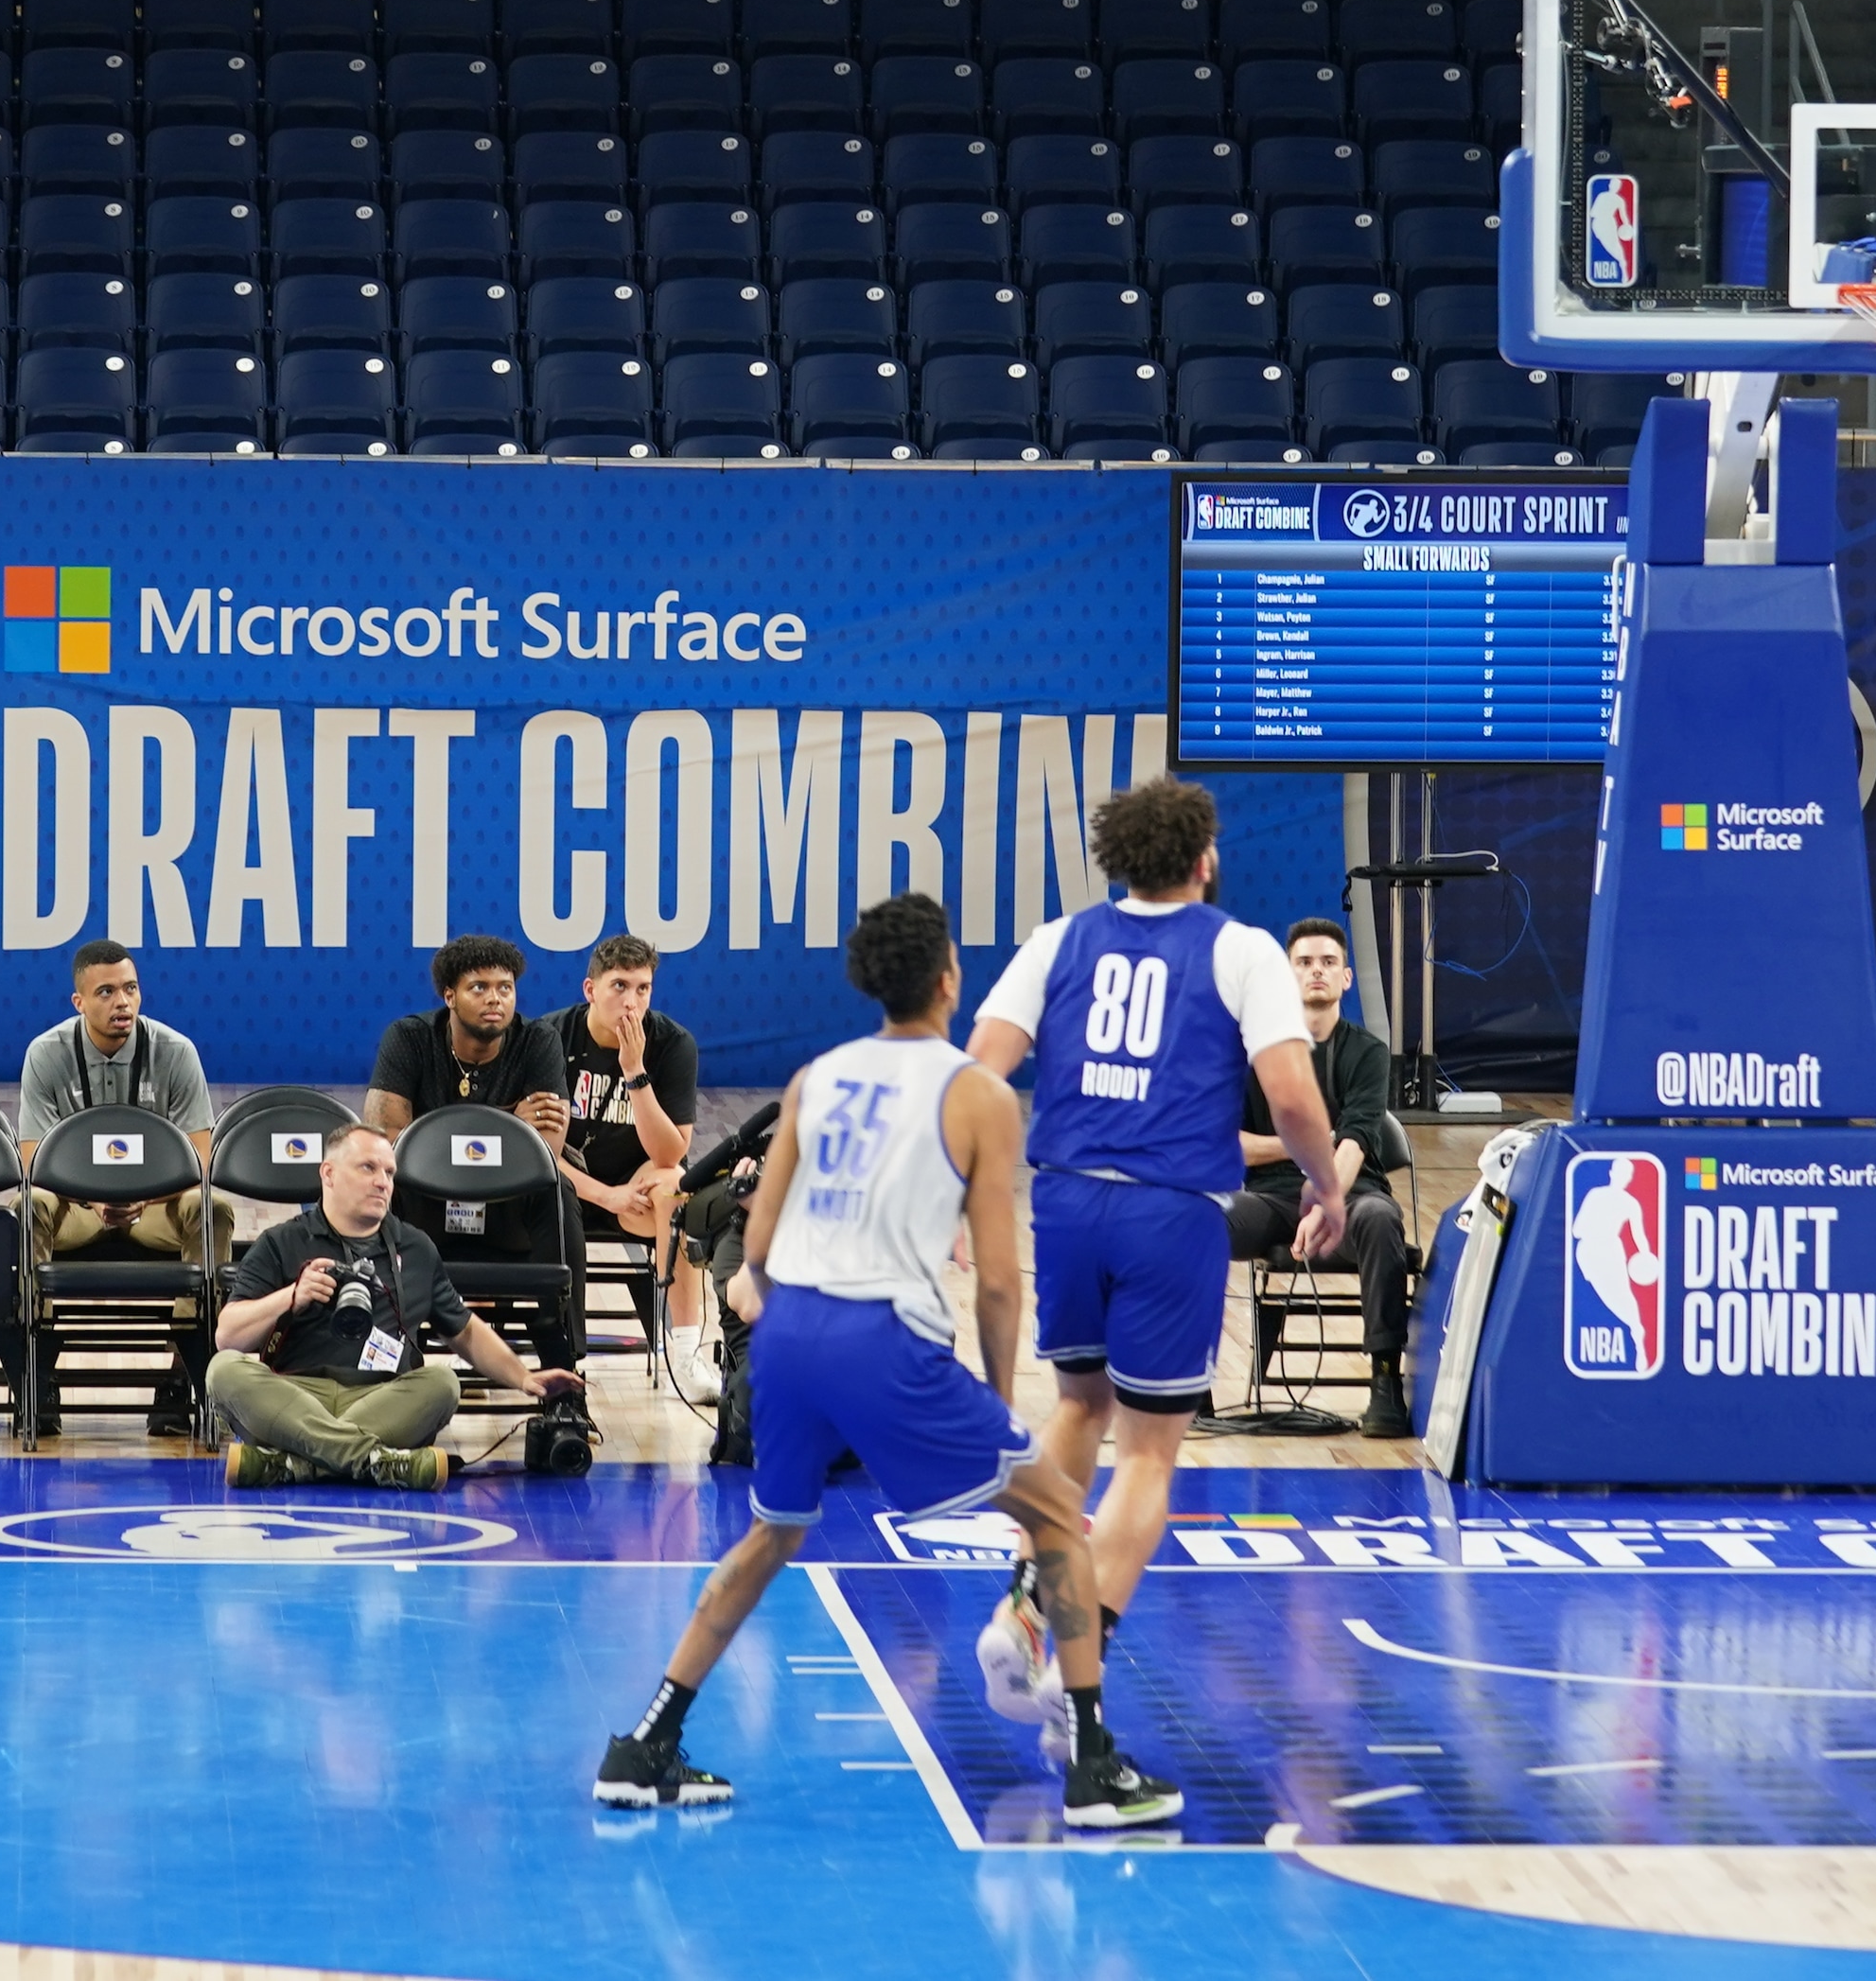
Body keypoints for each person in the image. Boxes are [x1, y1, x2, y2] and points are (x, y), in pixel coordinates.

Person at [594, 892, 1182, 1828]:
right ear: (948, 978)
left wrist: (786, 1308)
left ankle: (644, 1741)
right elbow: (996, 1280)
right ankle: (1089, 1760)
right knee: (1061, 1515)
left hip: (786, 1343)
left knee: (768, 1536)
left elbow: (757, 1245)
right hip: (884, 1344)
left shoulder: (817, 1074)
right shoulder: (977, 1092)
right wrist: (994, 1399)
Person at [962, 776, 1343, 1764]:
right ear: (1204, 857)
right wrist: (1323, 1183)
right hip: (1168, 1207)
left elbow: (980, 1061)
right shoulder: (1239, 946)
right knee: (1148, 1452)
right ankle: (1073, 1658)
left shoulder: (1057, 938)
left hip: (1065, 1197)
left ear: (1116, 859)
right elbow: (1292, 1092)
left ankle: (1020, 1603)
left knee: (1077, 1408)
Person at [206, 1123, 577, 1492]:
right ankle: (375, 1461)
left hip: (382, 1398)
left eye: (389, 1172)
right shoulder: (281, 1242)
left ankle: (298, 1463)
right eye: (368, 1168)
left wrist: (523, 1377)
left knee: (443, 1383)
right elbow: (228, 1336)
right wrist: (291, 1297)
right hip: (295, 1396)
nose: (383, 1182)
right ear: (329, 1174)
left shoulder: (415, 1247)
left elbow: (464, 1330)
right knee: (223, 1370)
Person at [16, 938, 221, 1438]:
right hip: (76, 1206)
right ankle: (39, 1374)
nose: (122, 1002)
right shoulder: (46, 1054)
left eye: (130, 989)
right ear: (79, 1002)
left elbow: (202, 1157)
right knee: (28, 1203)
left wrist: (141, 1199)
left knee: (210, 1206)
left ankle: (183, 1375)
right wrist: (93, 1199)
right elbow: (31, 1161)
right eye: (106, 992)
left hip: (155, 1207)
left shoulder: (175, 1052)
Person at [366, 934, 584, 1370]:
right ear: (450, 996)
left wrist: (438, 1133)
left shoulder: (538, 1041)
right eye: (478, 987)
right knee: (375, 1186)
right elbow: (386, 1141)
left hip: (508, 1213)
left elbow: (546, 1151)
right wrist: (510, 1121)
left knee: (557, 1189)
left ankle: (560, 1358)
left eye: (505, 987)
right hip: (425, 1211)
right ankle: (386, 1354)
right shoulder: (408, 1039)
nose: (495, 999)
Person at [1254, 918, 1418, 1438]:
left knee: (1379, 1217)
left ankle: (1385, 1385)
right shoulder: (1255, 1052)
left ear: (1347, 978)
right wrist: (1299, 1145)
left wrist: (1327, 1198)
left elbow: (1354, 1140)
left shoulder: (1366, 1053)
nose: (1317, 972)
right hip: (1269, 1201)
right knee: (1195, 1219)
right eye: (1304, 962)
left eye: (1328, 963)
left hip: (1351, 1196)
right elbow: (1220, 1142)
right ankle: (1191, 1390)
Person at [538, 935, 705, 1378]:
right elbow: (539, 1152)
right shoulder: (550, 1038)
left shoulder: (672, 1044)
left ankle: (688, 1355)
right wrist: (605, 1196)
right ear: (590, 990)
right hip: (562, 1189)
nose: (632, 1002)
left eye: (643, 989)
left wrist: (636, 1073)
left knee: (675, 1188)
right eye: (620, 987)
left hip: (636, 1192)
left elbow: (671, 1153)